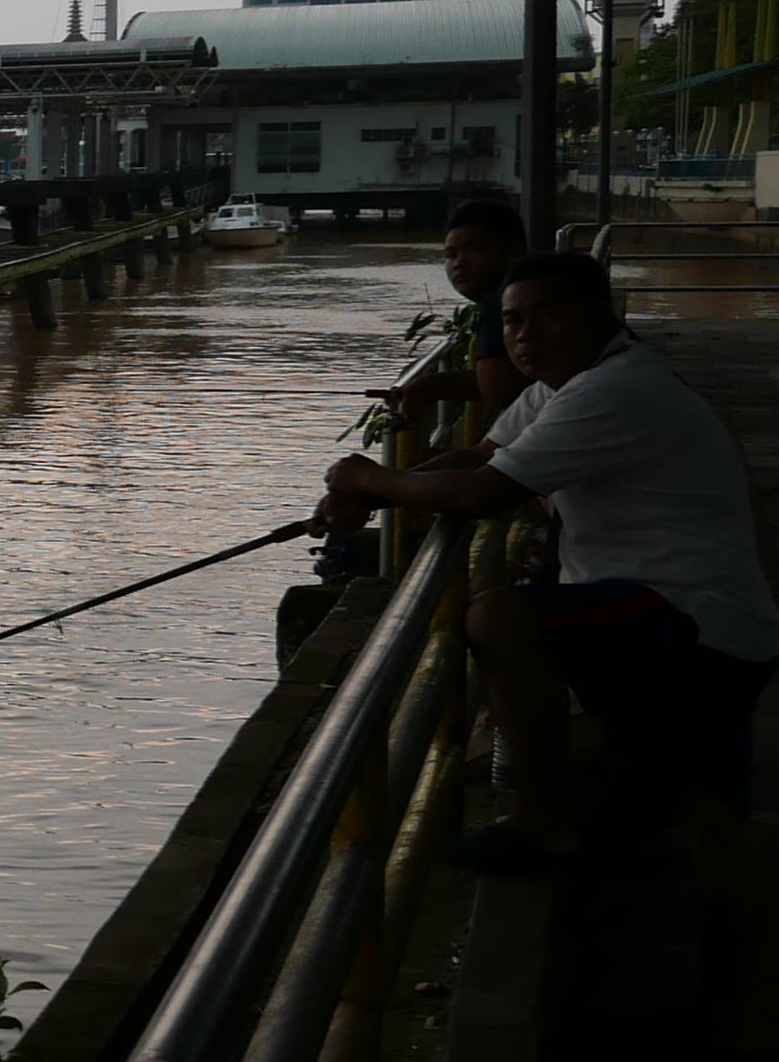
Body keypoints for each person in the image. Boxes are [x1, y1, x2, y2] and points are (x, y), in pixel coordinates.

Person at [321, 250, 779, 906]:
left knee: (498, 617)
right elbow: (483, 453)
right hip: (664, 609)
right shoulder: (563, 387)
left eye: (548, 316)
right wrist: (383, 496)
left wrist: (368, 478)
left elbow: (483, 493)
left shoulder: (613, 390)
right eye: (511, 322)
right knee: (696, 814)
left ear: (599, 316)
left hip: (693, 621)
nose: (525, 335)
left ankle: (542, 823)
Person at [361, 196, 532, 434]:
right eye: (451, 255)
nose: (460, 262)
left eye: (474, 250)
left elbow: (498, 388)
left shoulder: (501, 301)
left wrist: (436, 386)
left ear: (513, 250)